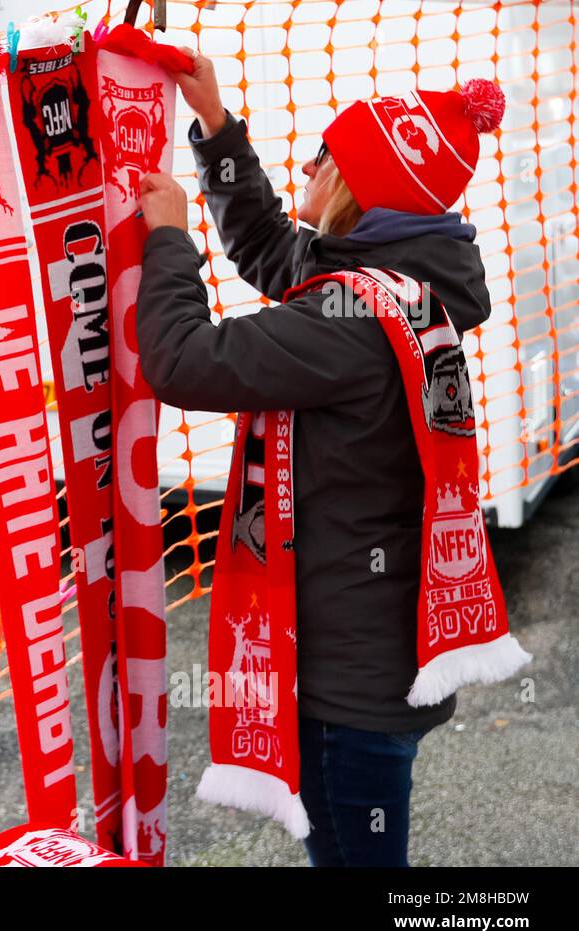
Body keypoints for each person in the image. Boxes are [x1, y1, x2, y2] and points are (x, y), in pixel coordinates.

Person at [135, 50, 507, 866]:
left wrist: (166, 244)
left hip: (352, 690)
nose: (307, 164)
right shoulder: (400, 283)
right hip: (376, 658)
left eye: (325, 155)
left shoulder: (352, 320)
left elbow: (186, 362)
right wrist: (216, 125)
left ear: (361, 187)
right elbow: (275, 251)